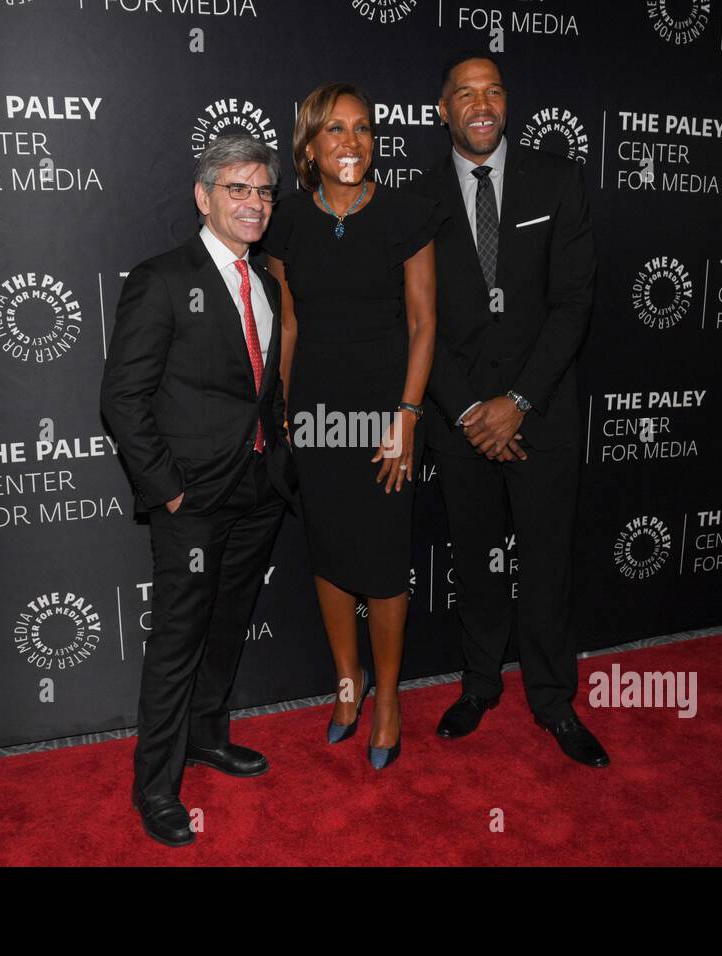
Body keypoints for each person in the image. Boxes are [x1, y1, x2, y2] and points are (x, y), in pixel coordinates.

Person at [409, 51, 610, 768]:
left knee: (549, 567)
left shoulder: (559, 180)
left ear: (507, 103)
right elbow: (417, 317)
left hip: (543, 413)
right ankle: (479, 685)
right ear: (444, 110)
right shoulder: (419, 197)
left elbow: (572, 303)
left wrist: (518, 402)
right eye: (465, 92)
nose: (482, 103)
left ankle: (555, 702)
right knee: (475, 562)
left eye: (493, 91)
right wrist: (470, 410)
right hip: (460, 420)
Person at [99, 134, 297, 847]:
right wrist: (170, 493)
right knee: (179, 638)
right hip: (193, 500)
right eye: (238, 189)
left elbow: (260, 388)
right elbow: (123, 399)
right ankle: (155, 785)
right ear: (204, 195)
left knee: (227, 624)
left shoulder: (268, 279)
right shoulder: (161, 278)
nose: (253, 203)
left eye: (264, 191)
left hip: (259, 489)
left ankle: (208, 736)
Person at [262, 82, 441, 770]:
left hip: (386, 412)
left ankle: (389, 700)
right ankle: (348, 684)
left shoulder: (405, 215)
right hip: (314, 412)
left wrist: (405, 418)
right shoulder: (284, 223)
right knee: (331, 551)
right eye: (335, 130)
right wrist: (284, 409)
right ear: (309, 145)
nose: (352, 142)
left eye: (363, 129)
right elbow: (291, 323)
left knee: (386, 560)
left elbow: (425, 323)